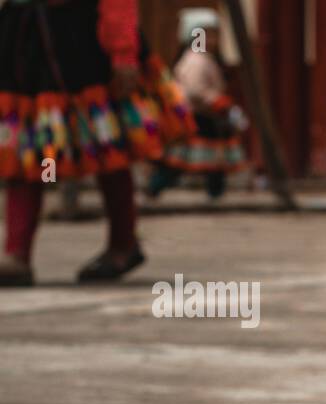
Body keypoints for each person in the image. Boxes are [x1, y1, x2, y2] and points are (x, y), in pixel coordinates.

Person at [0, 0, 192, 286]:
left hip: (81, 41)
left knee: (106, 148)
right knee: (26, 151)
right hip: (24, 42)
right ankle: (17, 252)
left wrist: (123, 51)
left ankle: (123, 243)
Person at [145, 8, 247, 202]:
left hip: (206, 117)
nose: (214, 40)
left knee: (214, 161)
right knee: (180, 161)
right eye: (207, 34)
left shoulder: (205, 58)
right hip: (197, 116)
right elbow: (194, 89)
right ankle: (156, 186)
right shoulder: (196, 59)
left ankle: (215, 192)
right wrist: (216, 101)